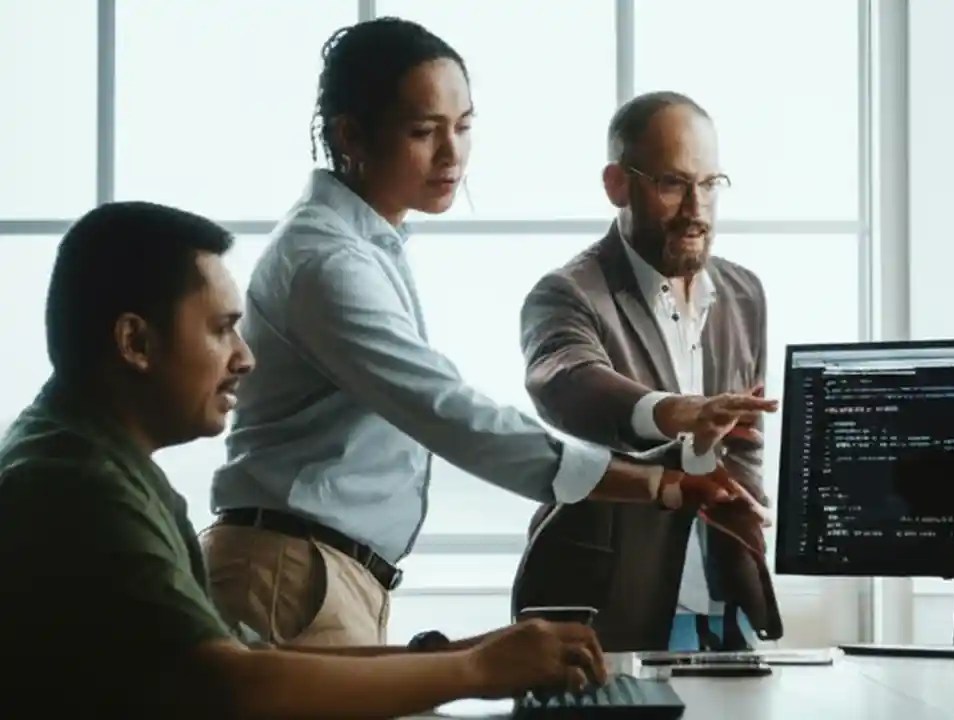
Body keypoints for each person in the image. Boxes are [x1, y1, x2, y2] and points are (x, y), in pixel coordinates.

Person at [202, 17, 770, 648]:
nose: (453, 155)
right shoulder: (328, 262)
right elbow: (453, 415)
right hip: (292, 573)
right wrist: (658, 483)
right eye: (424, 132)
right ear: (350, 135)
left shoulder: (365, 248)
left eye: (464, 126)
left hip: (323, 573)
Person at [0, 201, 613, 718]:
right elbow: (231, 684)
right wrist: (475, 669)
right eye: (221, 330)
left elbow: (253, 656)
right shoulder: (78, 487)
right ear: (135, 342)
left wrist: (470, 654)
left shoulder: (98, 459)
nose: (245, 358)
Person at [513, 91, 784, 651]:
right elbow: (567, 379)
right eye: (671, 184)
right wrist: (676, 411)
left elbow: (746, 444)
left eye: (709, 185)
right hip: (606, 609)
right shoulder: (567, 294)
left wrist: (754, 524)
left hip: (727, 604)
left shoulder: (743, 294)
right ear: (617, 185)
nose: (695, 208)